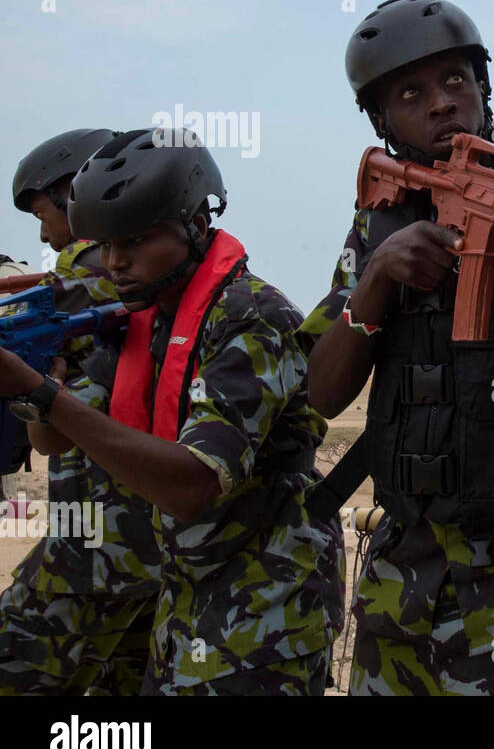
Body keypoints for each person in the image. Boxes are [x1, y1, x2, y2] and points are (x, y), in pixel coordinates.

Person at [302, 0, 494, 695]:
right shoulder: (377, 226)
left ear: (484, 91)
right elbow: (321, 393)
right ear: (379, 122)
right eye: (410, 93)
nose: (440, 105)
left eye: (455, 81)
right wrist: (375, 282)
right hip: (404, 565)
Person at [0, 129, 344, 695]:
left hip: (264, 613)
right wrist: (42, 382)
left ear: (195, 225)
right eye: (107, 246)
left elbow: (192, 484)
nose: (114, 264)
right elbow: (53, 439)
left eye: (134, 242)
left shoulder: (250, 317)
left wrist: (42, 395)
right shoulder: (147, 316)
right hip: (183, 598)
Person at [0, 128, 162, 696]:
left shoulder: (88, 269)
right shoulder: (151, 276)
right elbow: (50, 437)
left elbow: (48, 440)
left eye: (46, 213)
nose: (44, 234)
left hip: (95, 552)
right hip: (149, 550)